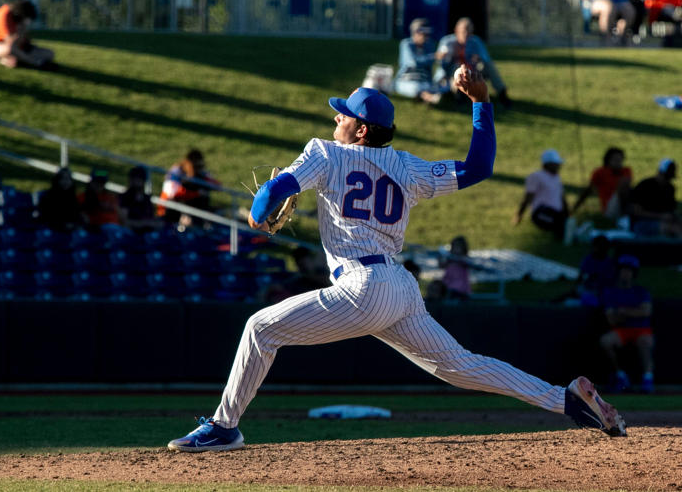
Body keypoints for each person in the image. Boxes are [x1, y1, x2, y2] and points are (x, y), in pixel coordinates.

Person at [167, 70, 626, 453]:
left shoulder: (326, 153)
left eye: (343, 114)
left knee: (260, 329)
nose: (336, 117)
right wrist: (481, 103)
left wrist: (258, 214)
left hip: (362, 286)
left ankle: (225, 427)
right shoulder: (408, 168)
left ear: (361, 130)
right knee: (462, 366)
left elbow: (273, 192)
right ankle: (565, 400)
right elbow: (478, 168)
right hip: (400, 287)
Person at [599, 255, 654, 394]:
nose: (625, 273)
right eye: (623, 270)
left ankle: (648, 378)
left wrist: (622, 311)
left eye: (629, 271)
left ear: (633, 273)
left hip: (641, 329)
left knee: (645, 342)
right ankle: (620, 376)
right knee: (606, 341)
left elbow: (646, 312)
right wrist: (634, 312)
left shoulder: (641, 291)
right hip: (621, 330)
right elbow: (611, 319)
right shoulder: (610, 292)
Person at [433, 17, 512, 108]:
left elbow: (485, 59)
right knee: (458, 68)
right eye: (463, 31)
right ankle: (460, 96)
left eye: (469, 32)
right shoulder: (447, 42)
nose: (466, 34)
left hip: (472, 71)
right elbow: (440, 63)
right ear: (456, 30)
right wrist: (446, 56)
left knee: (489, 66)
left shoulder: (475, 41)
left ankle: (502, 94)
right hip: (450, 73)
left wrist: (478, 59)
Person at [0, 0, 55, 69]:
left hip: (18, 47)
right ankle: (36, 62)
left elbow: (25, 42)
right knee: (10, 49)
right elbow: (11, 43)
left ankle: (16, 59)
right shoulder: (4, 16)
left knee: (50, 54)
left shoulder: (17, 17)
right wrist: (22, 30)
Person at [514, 149, 569, 238]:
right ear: (548, 164)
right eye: (556, 163)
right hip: (541, 212)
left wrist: (568, 214)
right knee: (560, 225)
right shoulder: (536, 176)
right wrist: (520, 214)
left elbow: (561, 197)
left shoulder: (556, 178)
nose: (559, 166)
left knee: (564, 225)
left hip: (557, 214)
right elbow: (528, 197)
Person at [157, 149, 220, 224]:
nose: (197, 168)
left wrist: (203, 180)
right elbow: (172, 194)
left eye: (200, 166)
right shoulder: (176, 172)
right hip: (168, 209)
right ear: (188, 162)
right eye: (196, 165)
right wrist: (197, 193)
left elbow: (217, 185)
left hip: (189, 207)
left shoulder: (199, 174)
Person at [393, 18, 445, 105]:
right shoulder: (406, 44)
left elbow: (431, 65)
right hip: (406, 80)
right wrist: (434, 56)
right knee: (415, 87)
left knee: (440, 85)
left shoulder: (429, 45)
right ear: (414, 32)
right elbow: (414, 62)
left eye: (427, 34)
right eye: (423, 34)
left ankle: (428, 96)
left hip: (424, 80)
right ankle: (429, 97)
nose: (426, 36)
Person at [571, 147, 632, 220]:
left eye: (620, 159)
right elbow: (588, 190)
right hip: (609, 207)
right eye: (615, 159)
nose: (618, 162)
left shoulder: (626, 171)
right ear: (608, 160)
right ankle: (627, 215)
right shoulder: (600, 172)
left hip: (625, 203)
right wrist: (575, 207)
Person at [628, 158, 681, 237]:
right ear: (659, 172)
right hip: (641, 224)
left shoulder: (670, 188)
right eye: (666, 177)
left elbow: (671, 211)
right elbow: (636, 212)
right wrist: (661, 216)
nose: (667, 180)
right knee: (670, 228)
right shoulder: (644, 186)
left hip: (663, 222)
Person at [36, 167, 83, 232]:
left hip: (71, 231)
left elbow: (77, 215)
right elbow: (46, 216)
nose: (66, 181)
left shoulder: (73, 197)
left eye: (68, 179)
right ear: (57, 180)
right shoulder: (48, 196)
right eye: (63, 178)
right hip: (52, 230)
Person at [118, 165, 162, 233]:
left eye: (140, 179)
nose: (138, 182)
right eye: (136, 179)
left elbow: (152, 217)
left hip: (147, 234)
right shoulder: (125, 197)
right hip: (130, 233)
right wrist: (143, 223)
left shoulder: (146, 199)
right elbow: (123, 221)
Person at [439, 235, 472, 301]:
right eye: (454, 246)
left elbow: (468, 264)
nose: (455, 249)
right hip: (448, 285)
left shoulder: (465, 259)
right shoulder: (449, 258)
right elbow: (441, 265)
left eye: (458, 247)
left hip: (460, 288)